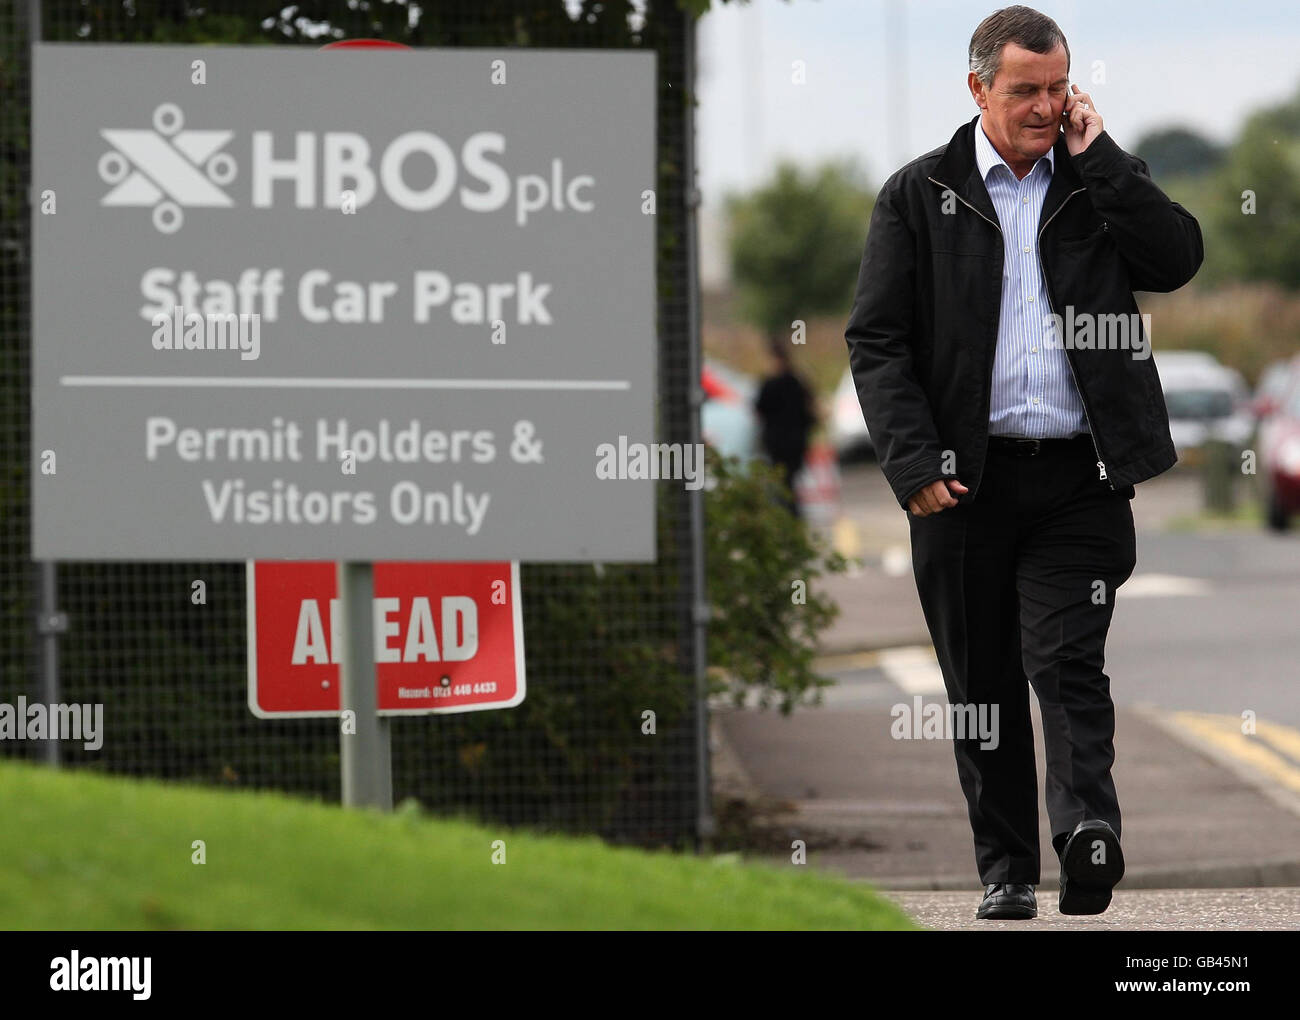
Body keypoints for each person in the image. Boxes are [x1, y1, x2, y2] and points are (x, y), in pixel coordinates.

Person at [843, 5, 1203, 920]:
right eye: (1025, 91)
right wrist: (912, 461)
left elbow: (1176, 258)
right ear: (978, 89)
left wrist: (1106, 157)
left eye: (1058, 88)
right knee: (983, 687)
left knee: (1067, 662)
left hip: (1079, 479)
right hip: (963, 486)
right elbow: (876, 340)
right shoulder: (918, 195)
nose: (1046, 106)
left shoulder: (1096, 184)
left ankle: (1088, 833)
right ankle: (1006, 869)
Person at [754, 342, 817, 519]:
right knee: (789, 483)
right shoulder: (798, 381)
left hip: (778, 444)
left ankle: (788, 517)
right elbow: (810, 413)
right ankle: (790, 515)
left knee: (783, 484)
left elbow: (759, 408)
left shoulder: (770, 383)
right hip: (796, 442)